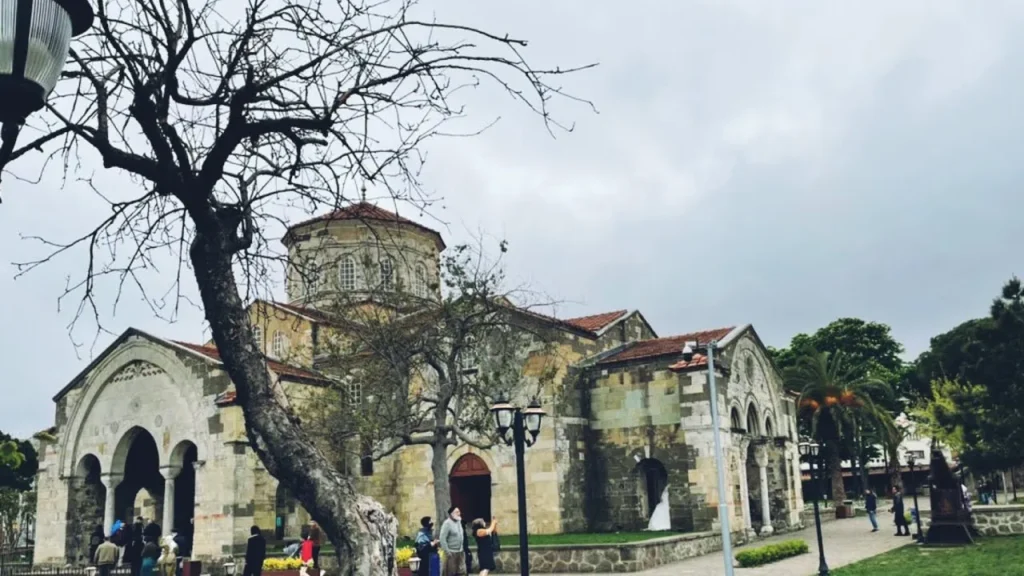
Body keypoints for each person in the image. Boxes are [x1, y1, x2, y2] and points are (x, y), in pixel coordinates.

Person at [438, 507, 466, 576]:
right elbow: (442, 538)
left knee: (462, 572)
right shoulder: (447, 523)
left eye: (459, 512)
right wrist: (447, 551)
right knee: (450, 573)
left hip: (460, 551)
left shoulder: (459, 521)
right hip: (451, 552)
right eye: (457, 512)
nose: (459, 514)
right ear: (451, 514)